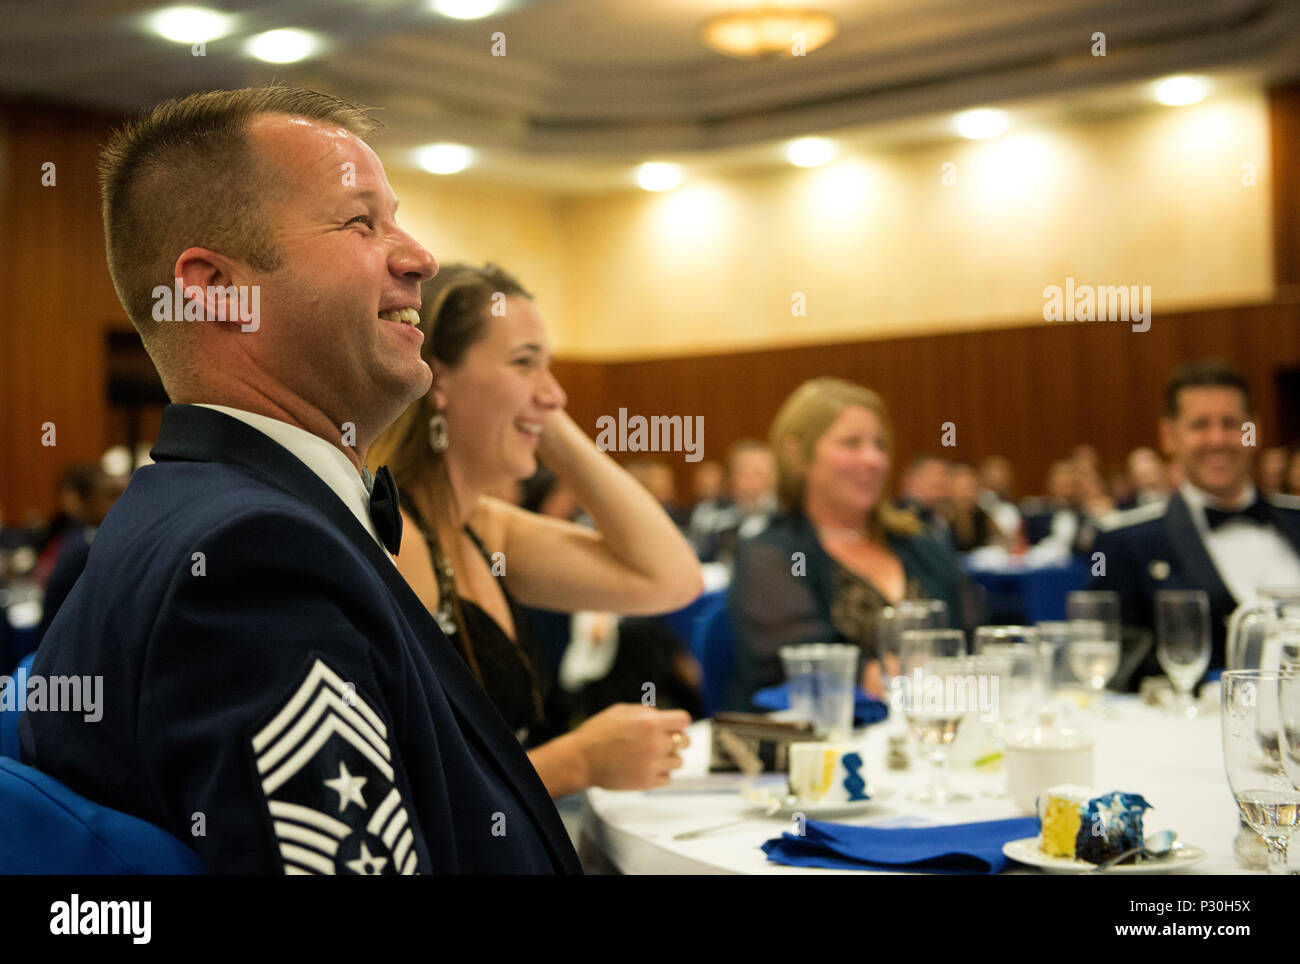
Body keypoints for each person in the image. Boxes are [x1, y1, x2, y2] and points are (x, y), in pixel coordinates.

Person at [22, 86, 582, 874]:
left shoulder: (215, 515)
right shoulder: (250, 560)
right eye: (362, 222)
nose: (420, 256)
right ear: (217, 288)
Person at [367, 263, 702, 799]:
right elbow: (403, 797)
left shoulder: (484, 529)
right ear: (439, 377)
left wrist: (546, 416)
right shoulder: (396, 537)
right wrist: (578, 760)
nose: (554, 394)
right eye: (524, 362)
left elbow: (672, 579)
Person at [728, 378, 964, 708]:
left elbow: (968, 645)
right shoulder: (772, 554)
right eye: (851, 443)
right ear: (798, 454)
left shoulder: (920, 542)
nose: (873, 460)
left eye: (880, 445)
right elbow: (809, 668)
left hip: (939, 725)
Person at [1091, 361, 1300, 679]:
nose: (1217, 438)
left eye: (1231, 423)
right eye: (1200, 425)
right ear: (1169, 436)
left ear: (1251, 432)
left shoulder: (1295, 519)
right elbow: (1109, 665)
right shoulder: (1122, 542)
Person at [945, 462, 999, 553]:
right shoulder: (942, 519)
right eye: (963, 489)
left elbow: (1000, 539)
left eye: (973, 488)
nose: (968, 494)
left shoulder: (981, 514)